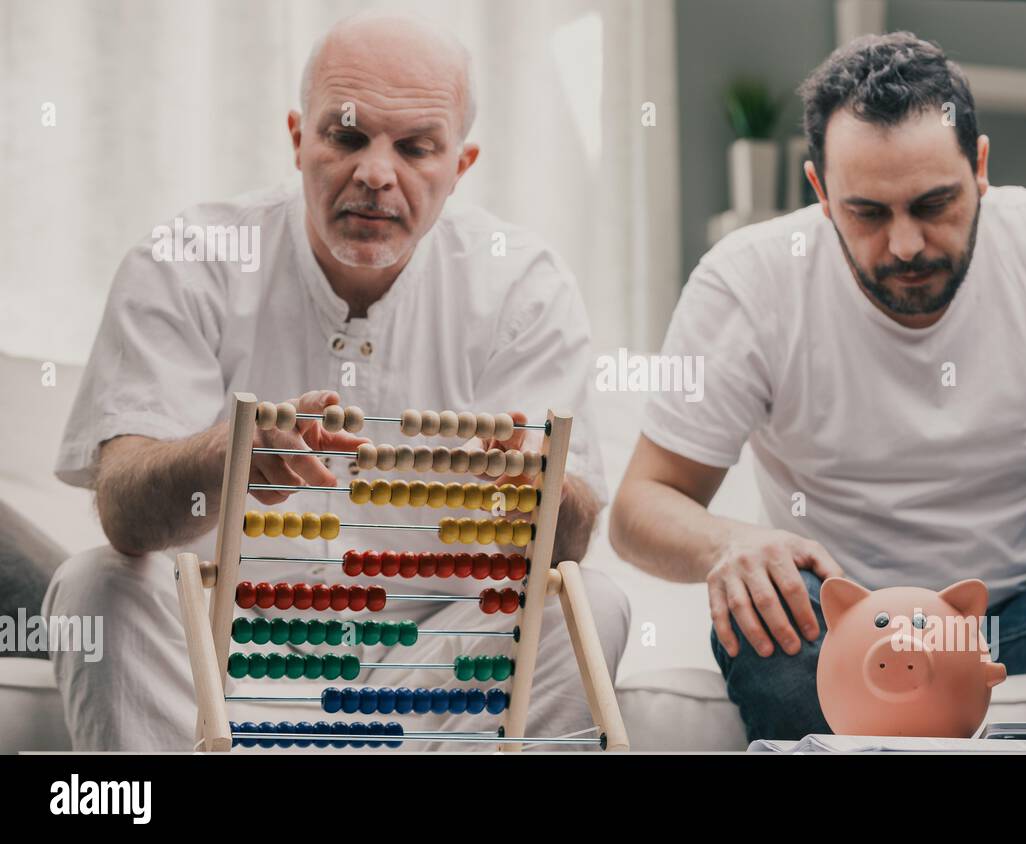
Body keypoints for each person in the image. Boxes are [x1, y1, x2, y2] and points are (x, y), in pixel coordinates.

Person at [610, 32, 1026, 744]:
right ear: (820, 191)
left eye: (934, 203)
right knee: (763, 618)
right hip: (844, 622)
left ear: (980, 167)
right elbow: (640, 505)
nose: (905, 245)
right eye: (868, 213)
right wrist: (729, 544)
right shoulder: (749, 284)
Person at [44, 11, 628, 751]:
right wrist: (233, 454)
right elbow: (123, 511)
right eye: (347, 137)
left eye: (416, 148)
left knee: (589, 602)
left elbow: (569, 542)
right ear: (298, 139)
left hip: (434, 671)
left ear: (462, 164)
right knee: (97, 586)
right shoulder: (187, 260)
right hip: (219, 664)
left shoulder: (523, 286)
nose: (376, 174)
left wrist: (540, 487)